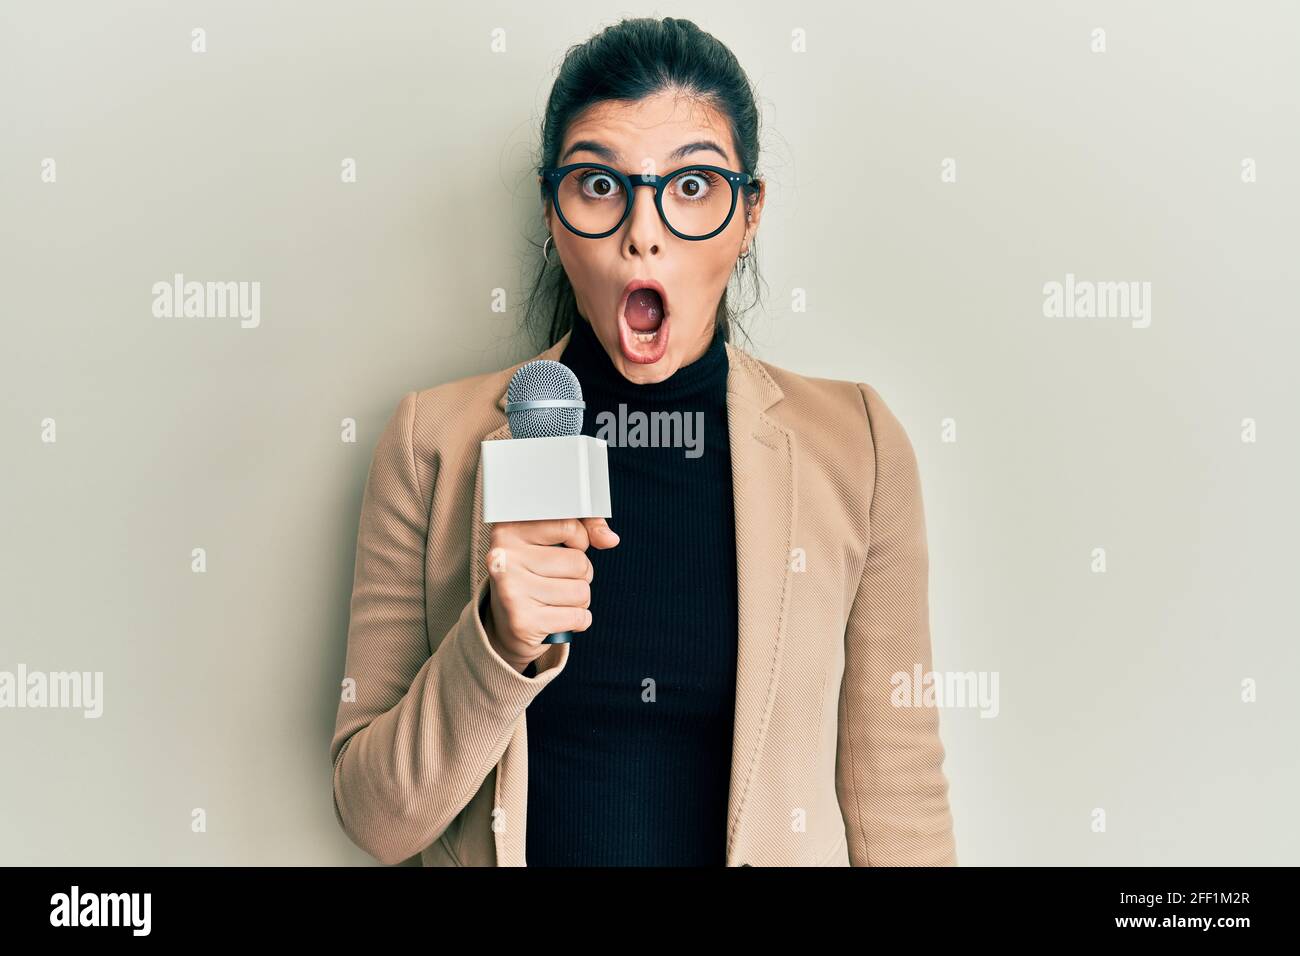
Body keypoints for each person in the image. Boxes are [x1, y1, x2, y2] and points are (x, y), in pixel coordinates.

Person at [329, 16, 957, 867]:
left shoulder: (859, 448)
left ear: (749, 216)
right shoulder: (430, 446)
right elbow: (376, 818)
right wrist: (495, 644)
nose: (644, 231)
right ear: (553, 212)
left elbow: (900, 801)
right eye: (600, 185)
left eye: (693, 186)